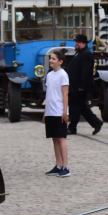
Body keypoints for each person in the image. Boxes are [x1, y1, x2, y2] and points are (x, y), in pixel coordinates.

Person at [66, 34, 103, 135]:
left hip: (79, 87)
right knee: (81, 106)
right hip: (74, 85)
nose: (76, 44)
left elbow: (86, 72)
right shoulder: (79, 53)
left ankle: (72, 127)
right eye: (76, 42)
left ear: (83, 43)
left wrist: (82, 86)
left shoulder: (86, 54)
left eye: (78, 42)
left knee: (75, 107)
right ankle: (96, 122)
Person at [43, 49, 71, 177]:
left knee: (61, 138)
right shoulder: (49, 75)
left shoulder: (63, 75)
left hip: (59, 111)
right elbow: (49, 94)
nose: (51, 60)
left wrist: (65, 112)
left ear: (60, 61)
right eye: (50, 58)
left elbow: (65, 94)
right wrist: (45, 111)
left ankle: (65, 166)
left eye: (53, 59)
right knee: (54, 138)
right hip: (50, 111)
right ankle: (58, 165)